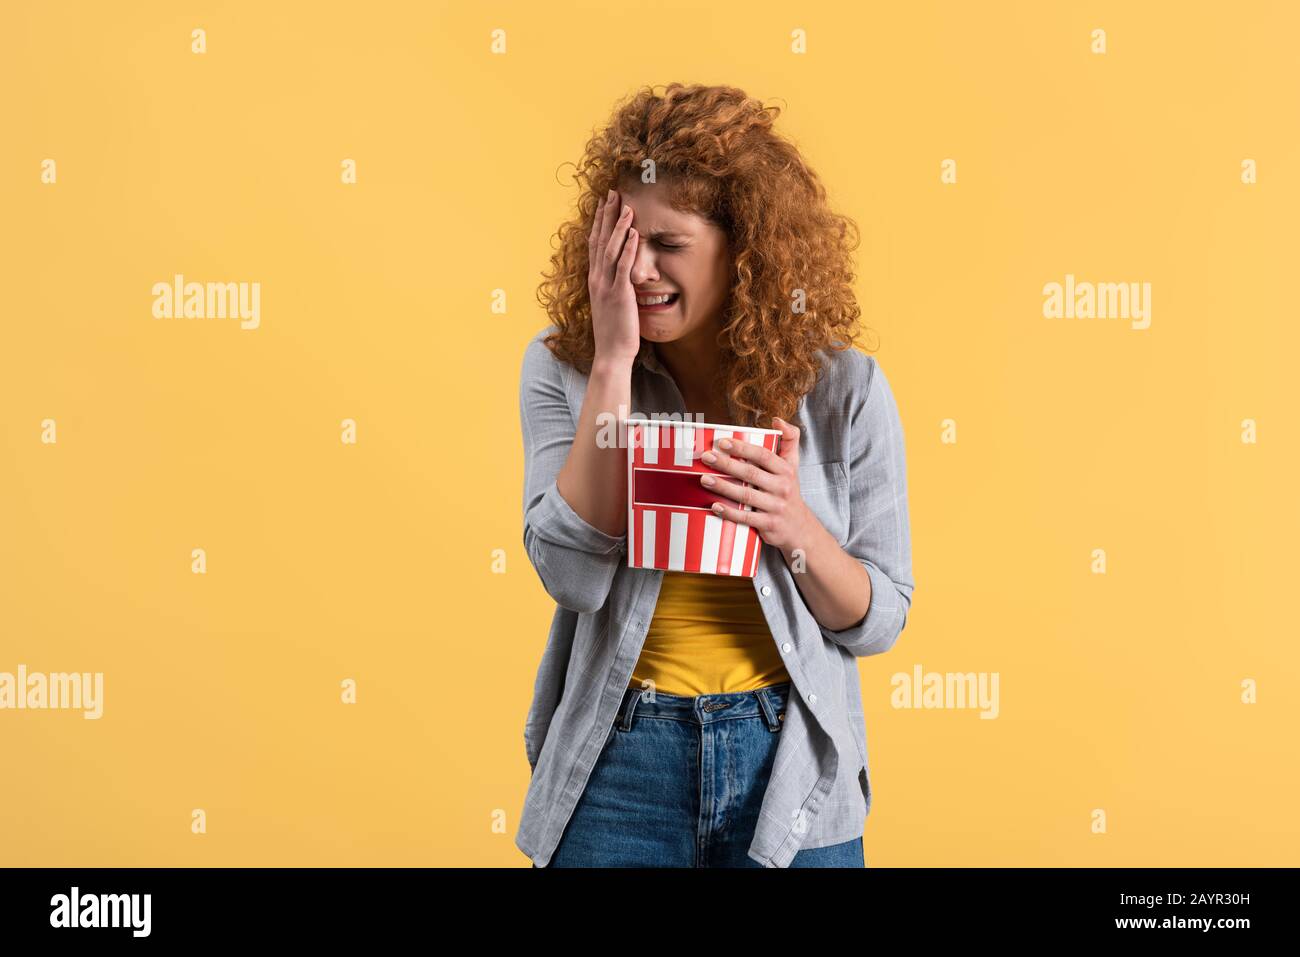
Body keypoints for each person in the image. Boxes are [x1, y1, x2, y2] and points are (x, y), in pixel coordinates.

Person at [517, 83, 914, 868]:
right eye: (624, 242)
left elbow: (879, 618)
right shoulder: (563, 368)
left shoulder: (845, 389)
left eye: (667, 243)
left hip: (788, 759)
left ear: (742, 247)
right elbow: (570, 577)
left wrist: (794, 527)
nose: (639, 270)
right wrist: (612, 364)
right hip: (619, 756)